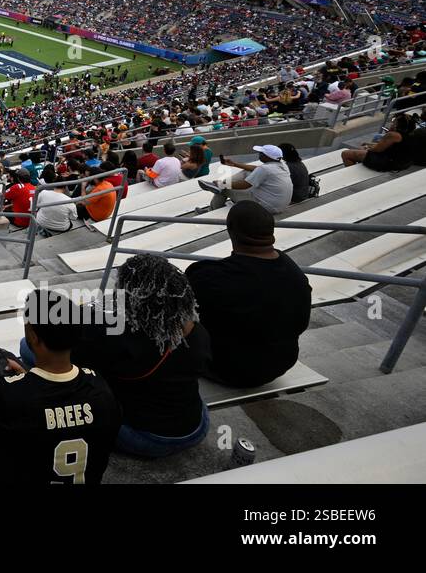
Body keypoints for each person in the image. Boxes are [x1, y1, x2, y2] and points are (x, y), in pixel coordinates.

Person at [0, 287, 120, 483]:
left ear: (34, 336)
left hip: (11, 462)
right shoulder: (100, 388)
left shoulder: (12, 394)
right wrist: (28, 379)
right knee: (4, 362)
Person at [70, 254, 211, 458]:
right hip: (197, 425)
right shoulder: (197, 332)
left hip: (147, 437)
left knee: (29, 350)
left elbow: (72, 359)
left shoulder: (117, 337)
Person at [186, 201, 312, 387]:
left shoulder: (208, 276)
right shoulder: (295, 273)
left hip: (226, 368)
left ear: (230, 230)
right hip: (280, 363)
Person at [199, 145, 294, 213]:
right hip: (280, 205)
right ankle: (219, 186)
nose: (259, 154)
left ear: (267, 156)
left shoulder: (265, 169)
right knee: (246, 171)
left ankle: (211, 212)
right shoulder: (281, 165)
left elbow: (244, 185)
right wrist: (234, 164)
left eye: (261, 153)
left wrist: (223, 184)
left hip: (266, 207)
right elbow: (255, 169)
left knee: (224, 189)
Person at [341, 114, 415, 172]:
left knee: (346, 154)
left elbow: (377, 149)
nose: (392, 124)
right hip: (400, 162)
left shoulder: (393, 135)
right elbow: (389, 147)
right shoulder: (410, 134)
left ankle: (352, 174)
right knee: (361, 150)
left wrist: (367, 147)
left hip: (387, 163)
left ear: (397, 125)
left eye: (394, 122)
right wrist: (369, 145)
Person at [32, 169, 75, 236]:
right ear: (65, 187)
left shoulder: (43, 192)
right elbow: (74, 218)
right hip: (61, 227)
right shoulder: (70, 201)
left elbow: (35, 206)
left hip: (41, 222)